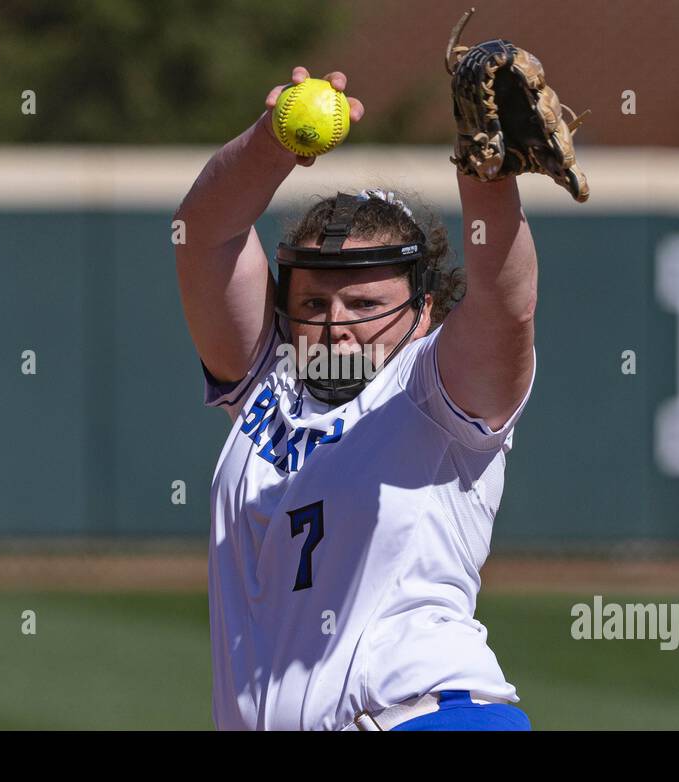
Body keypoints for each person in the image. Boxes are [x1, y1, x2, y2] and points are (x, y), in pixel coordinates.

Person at [173, 66, 537, 731]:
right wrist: (273, 142)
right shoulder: (269, 380)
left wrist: (488, 171)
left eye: (365, 302)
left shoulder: (434, 387)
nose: (336, 320)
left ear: (424, 308)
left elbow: (505, 306)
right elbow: (202, 235)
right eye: (314, 300)